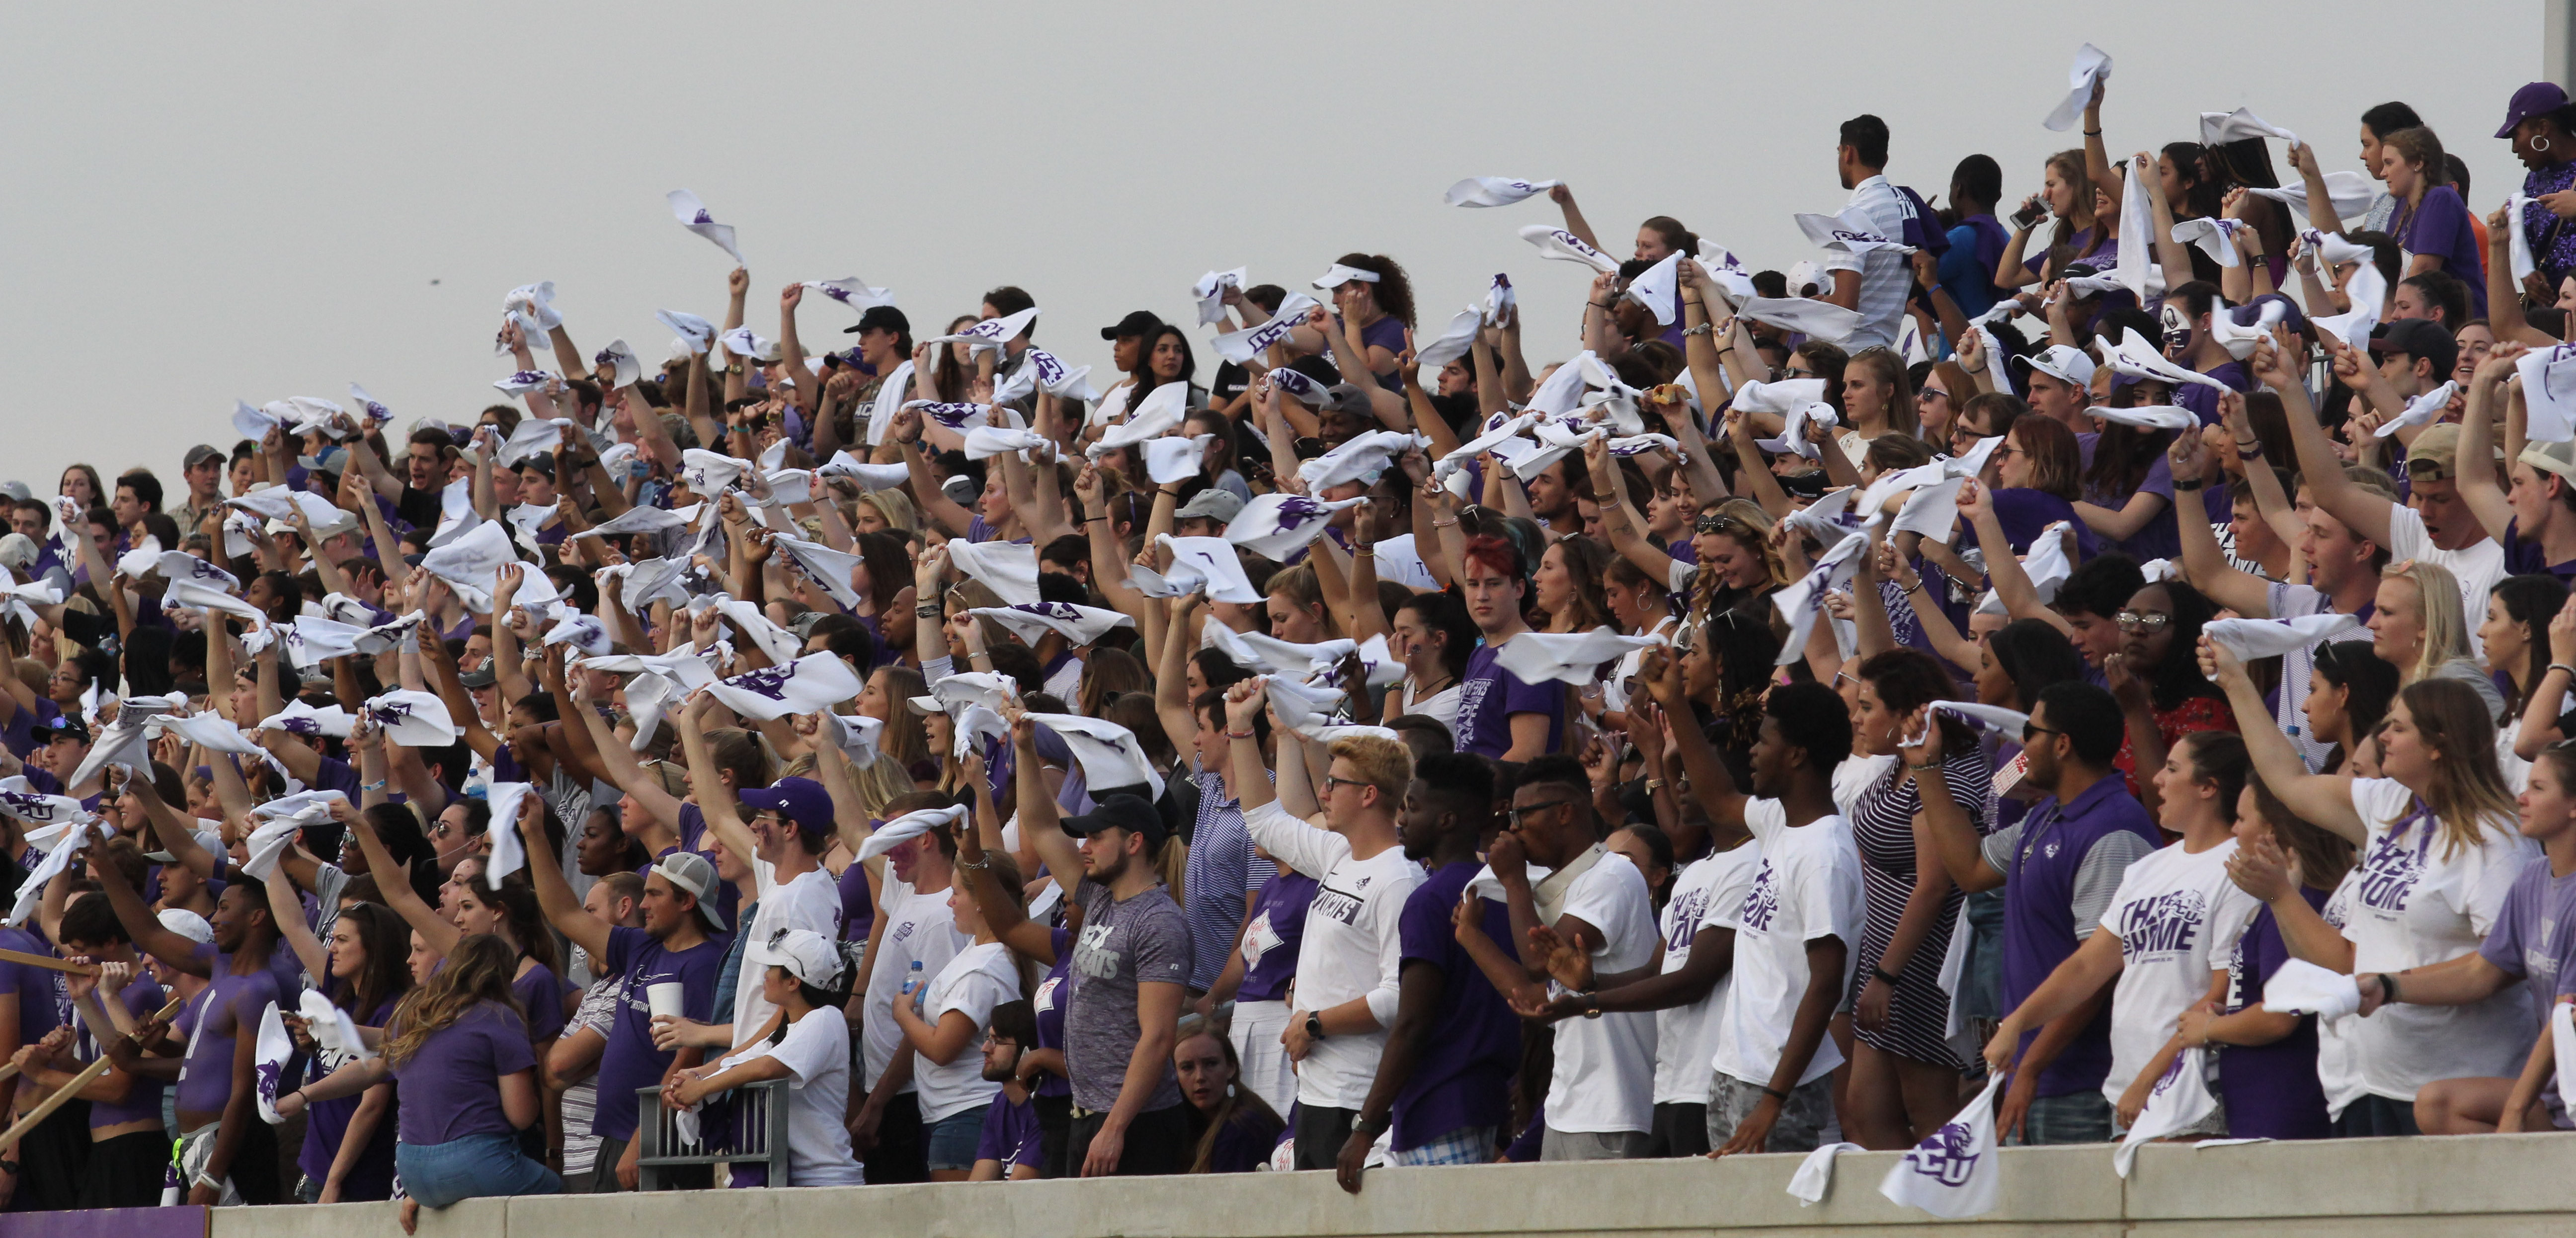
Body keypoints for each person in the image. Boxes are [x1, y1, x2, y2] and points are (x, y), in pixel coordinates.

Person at [2209, 641, 2536, 1138]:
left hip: (2456, 1095)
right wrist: (2234, 681)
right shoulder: (2390, 804)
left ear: (2439, 744)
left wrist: (2390, 985)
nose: (2382, 734)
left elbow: (2496, 969)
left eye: (2399, 726)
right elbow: (2289, 783)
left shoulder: (2496, 841)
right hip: (2375, 1082)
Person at [1911, 682, 2160, 1144]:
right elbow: (1969, 867)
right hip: (2030, 1074)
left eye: (2030, 732)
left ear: (2062, 744)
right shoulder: (2047, 816)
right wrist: (1926, 767)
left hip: (2078, 1084)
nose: (2022, 747)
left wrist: (2033, 1066)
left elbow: (2099, 970)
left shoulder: (2114, 831)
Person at [1982, 734, 2259, 1132]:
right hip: (2126, 1091)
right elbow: (2086, 966)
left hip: (2190, 1090)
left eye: (2173, 769)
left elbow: (2219, 994)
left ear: (2208, 786)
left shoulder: (2236, 869)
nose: (2158, 778)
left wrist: (2151, 1078)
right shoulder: (2147, 869)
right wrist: (2016, 1023)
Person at [1222, 683, 1428, 1168]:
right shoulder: (1339, 852)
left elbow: (1401, 996)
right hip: (1316, 1089)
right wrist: (1239, 727)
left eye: (1336, 784)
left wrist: (1314, 1022)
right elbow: (1266, 823)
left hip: (1358, 1096)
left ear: (1370, 795)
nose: (1323, 791)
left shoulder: (1400, 877)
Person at [1010, 713, 1193, 1176]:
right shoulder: (1098, 898)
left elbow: (1157, 1038)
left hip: (1137, 1123)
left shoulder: (1159, 921)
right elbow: (1042, 826)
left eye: (1095, 837)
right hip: (1089, 1114)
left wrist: (1115, 1125)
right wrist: (1026, 749)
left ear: (1134, 842)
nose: (1084, 847)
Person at [277, 935, 558, 1234]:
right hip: (479, 1164)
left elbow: (376, 1056)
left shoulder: (414, 1018)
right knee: (556, 1193)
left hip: (414, 1173)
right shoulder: (501, 1017)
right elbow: (521, 1115)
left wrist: (304, 1089)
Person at [518, 804, 730, 1191]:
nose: (644, 904)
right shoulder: (642, 946)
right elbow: (565, 913)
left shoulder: (706, 963)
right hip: (614, 1137)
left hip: (656, 1140)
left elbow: (688, 1057)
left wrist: (642, 1138)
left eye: (654, 894)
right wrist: (534, 835)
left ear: (687, 902)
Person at [1334, 753, 1518, 1188]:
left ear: (1447, 819)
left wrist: (1364, 1128)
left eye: (1413, 808)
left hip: (1439, 1106)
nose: (1401, 818)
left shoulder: (1430, 898)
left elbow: (1413, 1022)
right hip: (1485, 1104)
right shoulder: (1503, 887)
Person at [2205, 771, 2358, 1140]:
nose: (2233, 832)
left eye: (2241, 820)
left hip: (2281, 1103)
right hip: (2263, 1100)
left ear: (2271, 832)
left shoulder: (2295, 903)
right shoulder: (2292, 898)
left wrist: (2208, 1029)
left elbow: (2283, 1015)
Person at [661, 929, 864, 1188]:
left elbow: (768, 1067)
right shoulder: (787, 1029)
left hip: (824, 1180)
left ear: (794, 982)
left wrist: (701, 1088)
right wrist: (688, 1080)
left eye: (772, 968)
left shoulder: (825, 1018)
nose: (765, 976)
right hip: (788, 1179)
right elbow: (735, 1061)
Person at [1452, 534, 1562, 761]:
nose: (1481, 596)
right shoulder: (1480, 653)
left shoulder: (1531, 654)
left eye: (1494, 584)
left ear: (1519, 589)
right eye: (1473, 584)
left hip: (1505, 793)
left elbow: (1527, 754)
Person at [1173, 1029, 1285, 1173]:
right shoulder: (1187, 1120)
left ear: (1231, 1068)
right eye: (1188, 1067)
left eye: (1211, 1064)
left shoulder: (1242, 1127)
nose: (1200, 1077)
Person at [967, 1001, 1044, 1182]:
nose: (985, 1048)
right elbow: (977, 1188)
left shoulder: (1043, 1107)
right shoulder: (1000, 1104)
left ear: (1027, 1051)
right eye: (989, 1039)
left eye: (998, 1042)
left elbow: (1019, 1189)